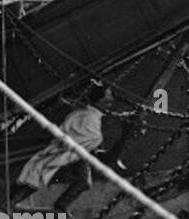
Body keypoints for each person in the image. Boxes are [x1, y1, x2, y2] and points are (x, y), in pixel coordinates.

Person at [11, 82, 118, 211]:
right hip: (68, 152)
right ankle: (15, 202)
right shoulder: (88, 116)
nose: (111, 99)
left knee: (81, 181)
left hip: (74, 152)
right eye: (108, 96)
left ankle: (58, 206)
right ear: (100, 100)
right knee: (43, 175)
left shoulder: (89, 115)